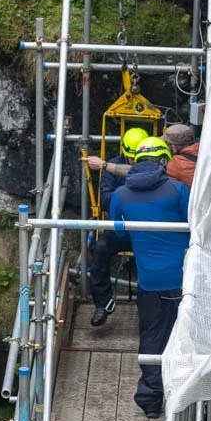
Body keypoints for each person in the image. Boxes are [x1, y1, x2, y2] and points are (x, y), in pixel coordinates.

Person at [108, 136, 190, 418]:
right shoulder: (178, 190)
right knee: (186, 333)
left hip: (149, 280)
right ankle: (190, 392)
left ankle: (151, 399)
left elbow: (119, 233)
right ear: (164, 160)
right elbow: (193, 225)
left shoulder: (120, 195)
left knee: (153, 336)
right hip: (183, 277)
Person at [85, 125, 149, 328]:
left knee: (149, 260)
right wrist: (130, 195)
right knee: (99, 248)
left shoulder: (152, 167)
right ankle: (102, 303)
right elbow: (104, 199)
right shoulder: (113, 166)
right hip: (121, 227)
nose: (132, 162)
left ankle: (147, 309)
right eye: (130, 158)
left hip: (145, 229)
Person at [164, 123, 200, 188]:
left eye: (168, 143)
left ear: (174, 146)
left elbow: (168, 187)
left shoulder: (175, 164)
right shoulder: (204, 150)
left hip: (192, 197)